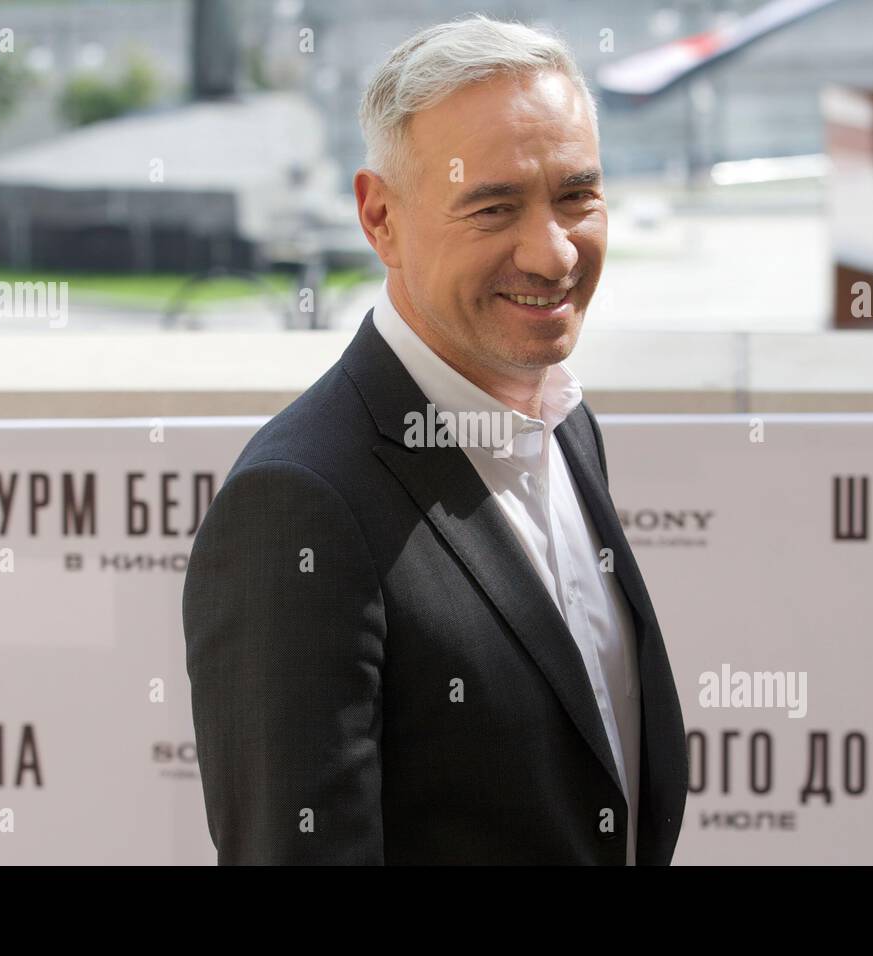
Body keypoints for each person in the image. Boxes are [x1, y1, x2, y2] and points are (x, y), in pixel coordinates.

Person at [182, 14, 687, 865]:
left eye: (576, 194)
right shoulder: (298, 506)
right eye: (493, 208)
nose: (554, 250)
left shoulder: (568, 426)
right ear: (380, 218)